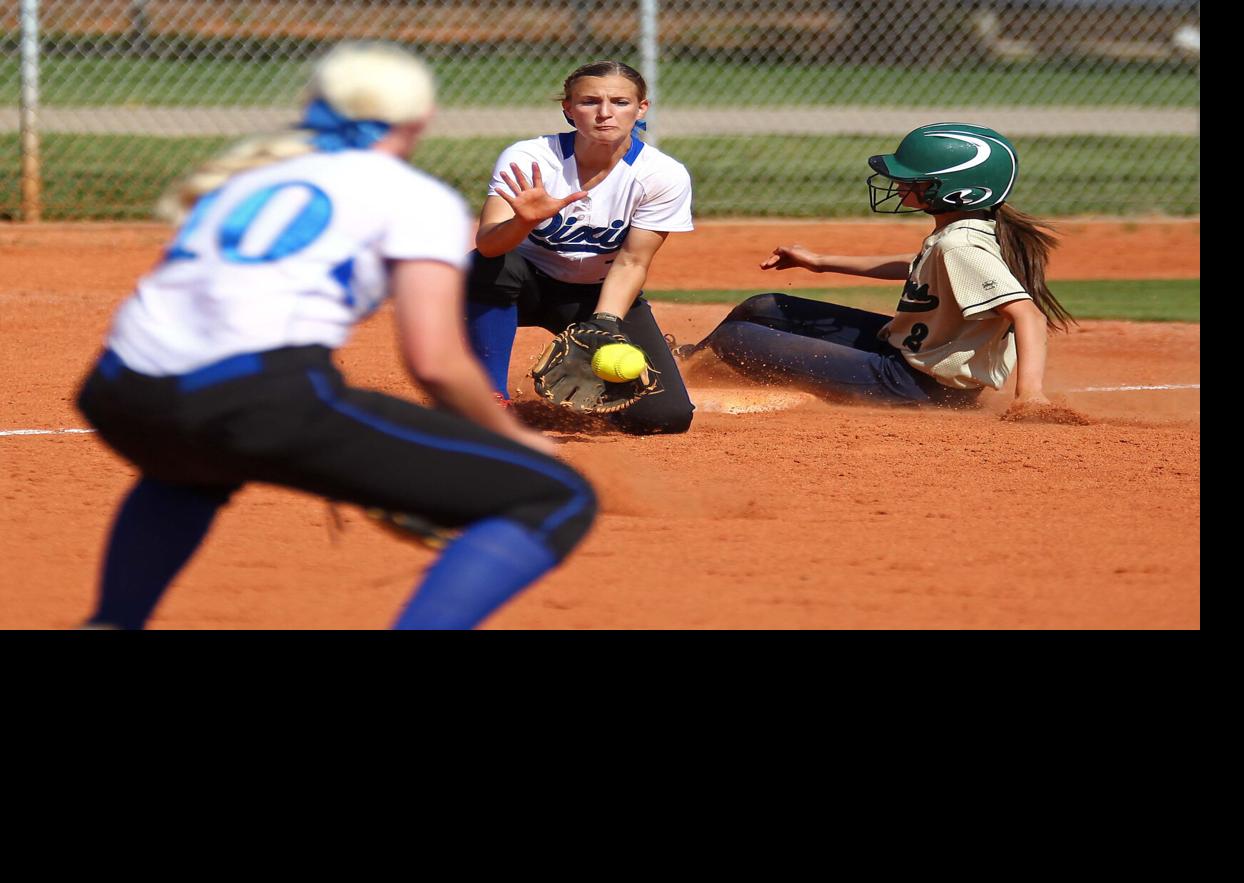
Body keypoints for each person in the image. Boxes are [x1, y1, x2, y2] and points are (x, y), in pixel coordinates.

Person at [74, 42, 597, 630]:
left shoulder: (247, 175)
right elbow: (435, 362)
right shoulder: (417, 199)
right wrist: (512, 439)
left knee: (188, 469)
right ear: (420, 118)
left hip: (118, 390)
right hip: (256, 399)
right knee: (559, 495)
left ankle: (111, 621)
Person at [679, 122, 1074, 413]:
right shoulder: (960, 233)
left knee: (737, 339)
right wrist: (820, 262)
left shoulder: (961, 244)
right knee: (764, 306)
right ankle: (690, 360)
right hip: (904, 354)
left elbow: (1029, 316)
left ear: (956, 190)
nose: (899, 185)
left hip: (915, 385)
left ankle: (683, 374)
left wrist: (1030, 396)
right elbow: (918, 265)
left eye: (912, 180)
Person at [465, 60, 695, 434]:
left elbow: (633, 261)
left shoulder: (661, 174)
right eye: (590, 102)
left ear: (641, 109)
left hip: (597, 293)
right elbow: (488, 246)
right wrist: (523, 221)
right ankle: (489, 397)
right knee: (489, 265)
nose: (605, 113)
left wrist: (605, 322)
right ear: (568, 109)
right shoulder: (531, 158)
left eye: (620, 102)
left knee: (664, 418)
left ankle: (604, 397)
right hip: (527, 285)